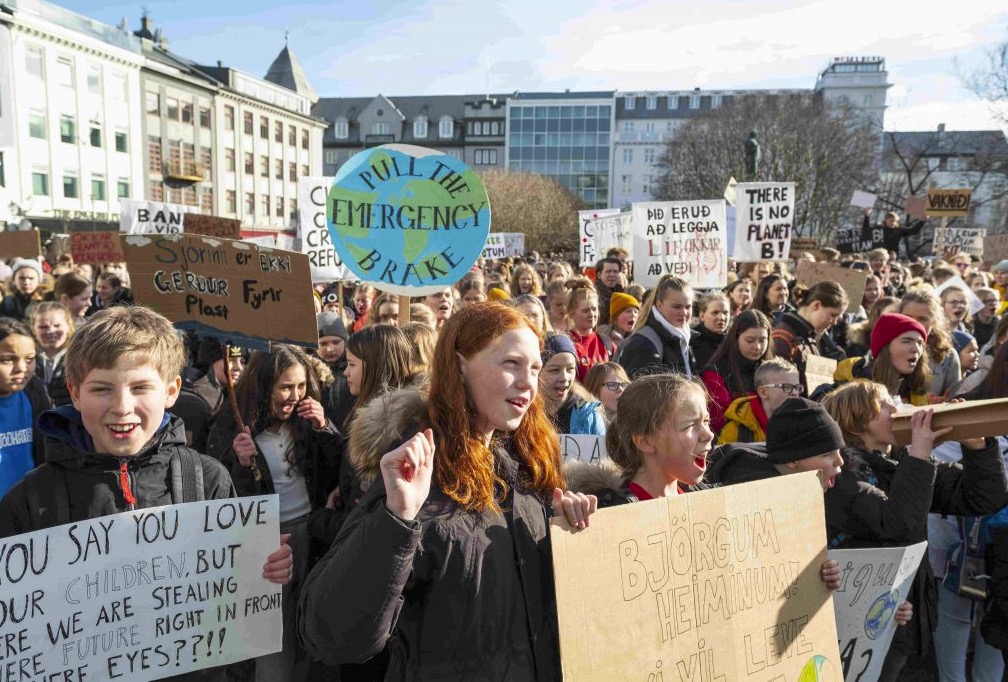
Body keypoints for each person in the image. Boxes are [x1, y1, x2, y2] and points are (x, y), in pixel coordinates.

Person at [298, 302, 596, 679]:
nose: (528, 382)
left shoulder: (526, 470)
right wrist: (396, 521)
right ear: (458, 366)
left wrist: (564, 534)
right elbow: (330, 633)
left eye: (535, 368)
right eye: (510, 364)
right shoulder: (417, 474)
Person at [0, 307, 292, 682]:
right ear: (73, 392)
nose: (122, 407)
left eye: (140, 388)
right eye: (102, 389)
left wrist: (266, 569)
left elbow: (236, 603)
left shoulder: (205, 479)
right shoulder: (32, 497)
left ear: (171, 390)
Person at [821, 380, 1008, 681]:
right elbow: (899, 525)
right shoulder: (841, 478)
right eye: (882, 405)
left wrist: (977, 447)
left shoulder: (898, 464)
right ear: (856, 424)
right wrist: (920, 455)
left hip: (904, 621)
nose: (896, 410)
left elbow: (984, 497)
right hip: (858, 626)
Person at [206, 344, 342, 682]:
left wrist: (325, 428)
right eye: (285, 387)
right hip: (270, 538)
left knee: (307, 618)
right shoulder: (235, 424)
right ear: (264, 385)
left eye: (300, 387)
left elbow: (339, 469)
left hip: (312, 532)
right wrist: (239, 463)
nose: (294, 396)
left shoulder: (309, 419)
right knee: (274, 629)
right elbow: (221, 496)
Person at [817, 313, 932, 406]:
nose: (916, 349)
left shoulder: (917, 391)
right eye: (906, 341)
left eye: (920, 343)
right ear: (884, 347)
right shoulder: (847, 393)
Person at [700, 309, 773, 435]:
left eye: (762, 340)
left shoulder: (772, 369)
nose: (757, 347)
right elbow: (718, 422)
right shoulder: (714, 374)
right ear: (735, 338)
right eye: (750, 340)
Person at [0, 318, 50, 497]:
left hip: (26, 509)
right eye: (7, 360)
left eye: (30, 359)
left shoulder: (35, 392)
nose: (21, 368)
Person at [771, 280, 848, 389]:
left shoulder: (811, 336)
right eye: (833, 315)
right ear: (816, 305)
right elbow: (780, 387)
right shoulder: (783, 337)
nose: (834, 322)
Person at [172, 340, 245, 453]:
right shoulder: (190, 404)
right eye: (230, 360)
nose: (239, 367)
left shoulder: (229, 397)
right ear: (211, 362)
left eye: (242, 361)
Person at [618, 274, 696, 379]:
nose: (684, 312)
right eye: (676, 307)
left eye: (688, 307)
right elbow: (643, 392)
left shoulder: (685, 337)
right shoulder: (643, 343)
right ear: (659, 305)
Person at [717, 358, 799, 444]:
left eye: (797, 388)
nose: (795, 393)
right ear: (763, 392)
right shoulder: (735, 432)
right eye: (786, 387)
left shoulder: (803, 425)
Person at [900, 288, 961, 399]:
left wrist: (943, 403)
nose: (914, 323)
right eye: (908, 317)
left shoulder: (947, 356)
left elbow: (953, 397)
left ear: (934, 322)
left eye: (922, 319)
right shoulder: (885, 348)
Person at [539, 334, 606, 435]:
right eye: (554, 370)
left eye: (570, 369)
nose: (564, 378)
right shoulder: (525, 411)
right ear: (538, 372)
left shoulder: (588, 414)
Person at [27, 300, 74, 406]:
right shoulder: (27, 359)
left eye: (57, 325)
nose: (51, 331)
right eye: (43, 327)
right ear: (33, 329)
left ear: (68, 326)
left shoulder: (78, 357)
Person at [565, 279, 609, 381]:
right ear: (572, 313)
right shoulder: (567, 343)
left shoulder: (606, 342)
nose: (591, 314)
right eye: (585, 311)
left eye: (594, 309)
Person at [691, 291, 730, 370]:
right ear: (702, 316)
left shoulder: (734, 340)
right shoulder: (691, 341)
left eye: (725, 312)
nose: (721, 317)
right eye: (715, 313)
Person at [582, 361, 629, 425]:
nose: (621, 389)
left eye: (623, 384)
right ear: (594, 390)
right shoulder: (583, 426)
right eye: (612, 385)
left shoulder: (636, 424)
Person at [594, 256, 625, 325]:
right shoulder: (593, 294)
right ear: (599, 275)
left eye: (615, 271)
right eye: (608, 271)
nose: (612, 274)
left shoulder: (623, 293)